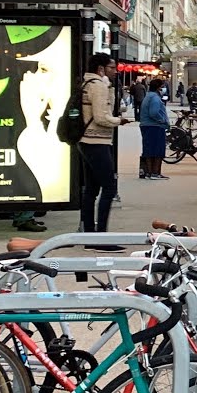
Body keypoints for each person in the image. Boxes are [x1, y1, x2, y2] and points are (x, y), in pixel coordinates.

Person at [79, 53, 133, 251]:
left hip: (85, 140)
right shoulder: (99, 86)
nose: (115, 71)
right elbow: (102, 117)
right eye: (111, 68)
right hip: (97, 140)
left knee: (91, 189)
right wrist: (119, 121)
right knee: (109, 187)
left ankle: (89, 234)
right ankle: (101, 236)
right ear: (101, 69)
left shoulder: (86, 84)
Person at [139, 78, 170, 180]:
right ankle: (155, 172)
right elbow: (154, 113)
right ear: (158, 88)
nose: (163, 89)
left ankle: (149, 172)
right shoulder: (155, 98)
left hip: (147, 126)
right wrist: (162, 120)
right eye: (162, 87)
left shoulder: (148, 96)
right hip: (155, 126)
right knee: (157, 150)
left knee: (149, 149)